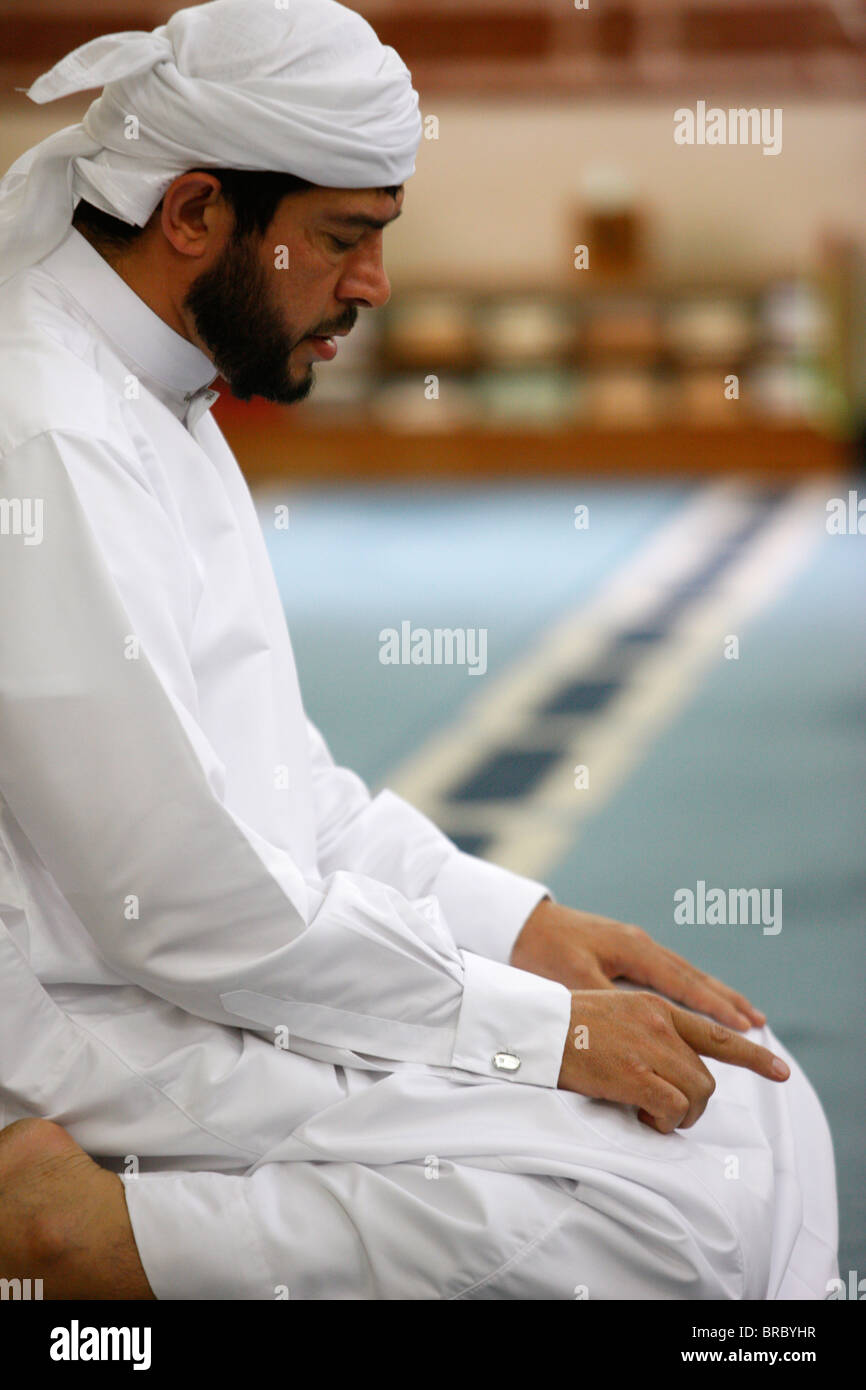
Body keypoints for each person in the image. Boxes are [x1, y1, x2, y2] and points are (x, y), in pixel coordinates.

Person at [0, 0, 837, 1300]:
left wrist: (525, 929)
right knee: (676, 1208)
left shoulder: (155, 396)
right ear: (193, 215)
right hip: (107, 1025)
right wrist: (533, 1032)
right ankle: (97, 1244)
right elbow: (171, 903)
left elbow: (293, 793)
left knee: (751, 1097)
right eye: (344, 238)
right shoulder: (46, 431)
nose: (374, 285)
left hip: (218, 969)